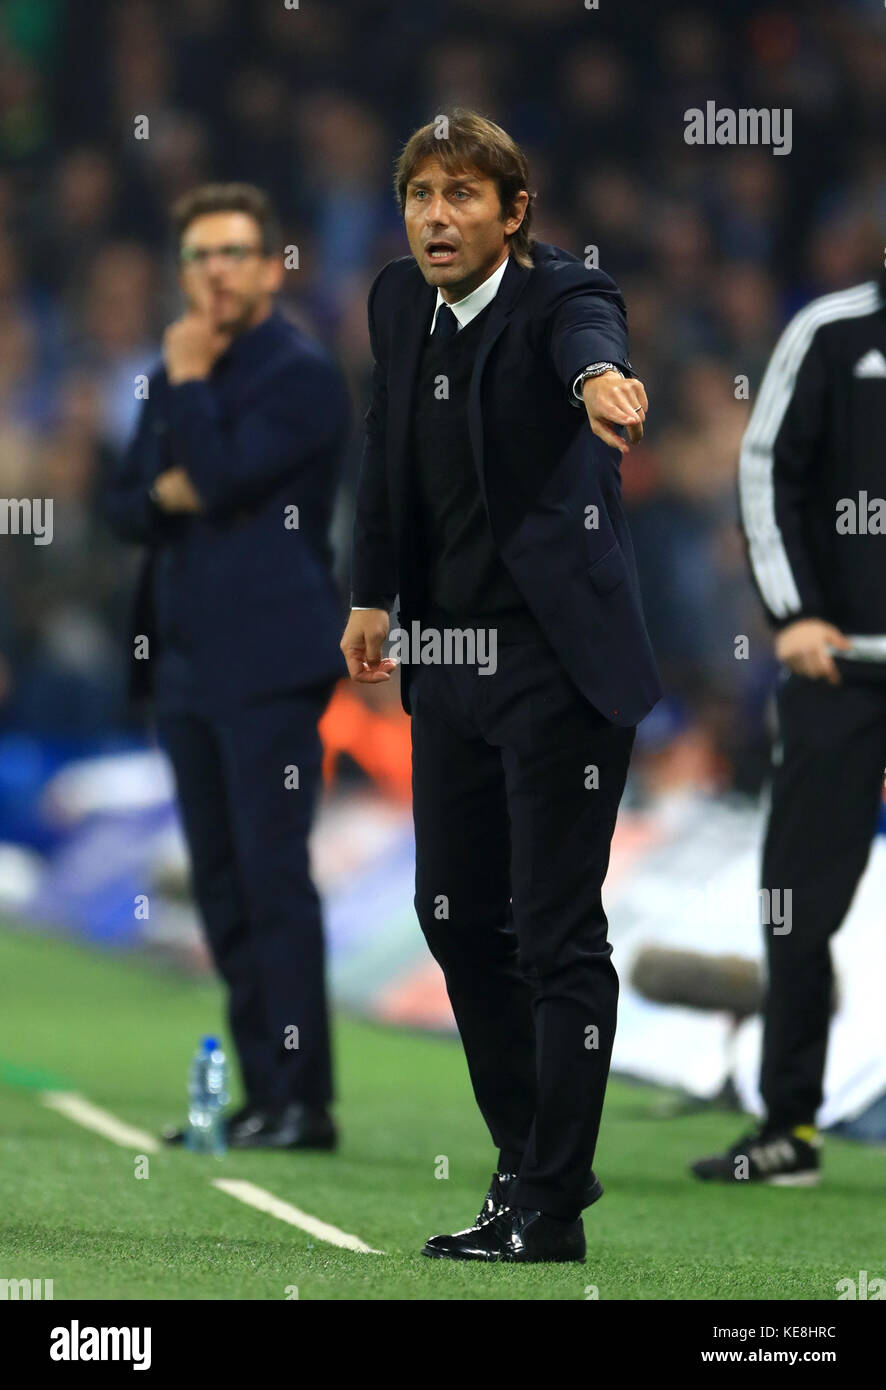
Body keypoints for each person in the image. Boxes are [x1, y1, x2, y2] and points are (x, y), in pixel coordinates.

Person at [341, 110, 661, 1262]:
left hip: (556, 665)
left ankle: (549, 1200)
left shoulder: (560, 295)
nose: (436, 215)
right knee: (452, 915)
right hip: (448, 663)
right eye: (421, 193)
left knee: (557, 932)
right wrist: (371, 593)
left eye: (463, 194)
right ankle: (527, 1166)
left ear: (513, 213)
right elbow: (384, 451)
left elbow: (589, 326)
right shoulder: (394, 303)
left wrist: (599, 380)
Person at [104, 183, 350, 1150]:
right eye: (201, 254)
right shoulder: (176, 371)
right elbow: (123, 504)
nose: (216, 269)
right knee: (218, 882)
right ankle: (258, 1096)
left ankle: (305, 1103)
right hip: (188, 659)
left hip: (271, 661)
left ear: (273, 265)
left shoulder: (301, 373)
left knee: (271, 874)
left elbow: (209, 479)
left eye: (236, 251)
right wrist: (181, 471)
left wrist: (193, 392)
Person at [693, 268, 886, 1184]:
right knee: (800, 901)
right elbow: (766, 467)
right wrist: (791, 611)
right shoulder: (831, 332)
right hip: (839, 665)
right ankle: (791, 1127)